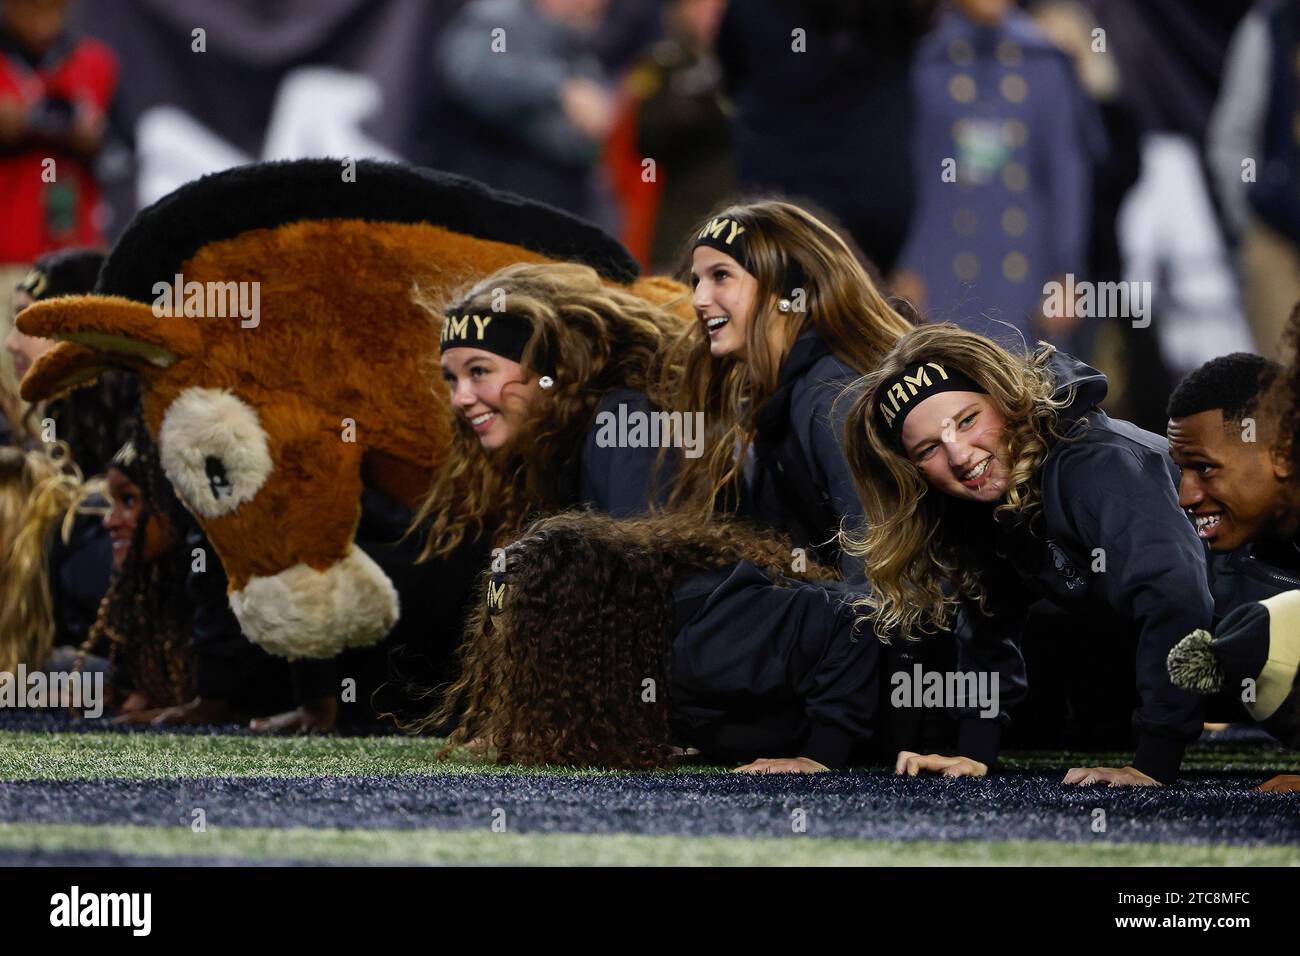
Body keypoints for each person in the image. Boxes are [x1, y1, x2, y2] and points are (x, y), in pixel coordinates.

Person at [841, 323, 1212, 785]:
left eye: (967, 419)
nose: (958, 455)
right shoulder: (987, 503)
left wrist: (1153, 763)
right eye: (929, 448)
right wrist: (975, 753)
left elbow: (1176, 598)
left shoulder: (1092, 460)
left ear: (1005, 398)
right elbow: (987, 625)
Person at [425, 511, 881, 772]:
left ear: (572, 631)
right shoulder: (638, 643)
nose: (518, 655)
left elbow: (854, 619)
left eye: (528, 637)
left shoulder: (703, 638)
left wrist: (820, 756)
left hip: (917, 698)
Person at [656, 200, 912, 576]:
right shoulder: (785, 396)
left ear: (784, 288)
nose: (698, 299)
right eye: (697, 281)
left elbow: (881, 573)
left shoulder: (832, 396)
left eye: (721, 276)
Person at [412, 261, 680, 561]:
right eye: (451, 379)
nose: (459, 398)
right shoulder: (546, 450)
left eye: (478, 371)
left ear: (548, 367)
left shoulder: (627, 422)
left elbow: (653, 574)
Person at [892, 0, 1094, 345]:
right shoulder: (929, 61)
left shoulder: (1043, 59)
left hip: (1028, 270)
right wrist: (910, 264)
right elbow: (919, 177)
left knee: (1030, 387)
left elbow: (1066, 177)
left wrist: (1067, 272)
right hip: (944, 266)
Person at [0, 0, 117, 385]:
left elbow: (127, 154)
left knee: (75, 385)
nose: (40, 20)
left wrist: (91, 135)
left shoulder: (95, 62)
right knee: (12, 386)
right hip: (6, 263)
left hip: (74, 257)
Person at [78, 430, 195, 716]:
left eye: (129, 501)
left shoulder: (218, 590)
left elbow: (242, 704)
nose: (109, 521)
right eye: (112, 502)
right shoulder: (140, 587)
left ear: (172, 504)